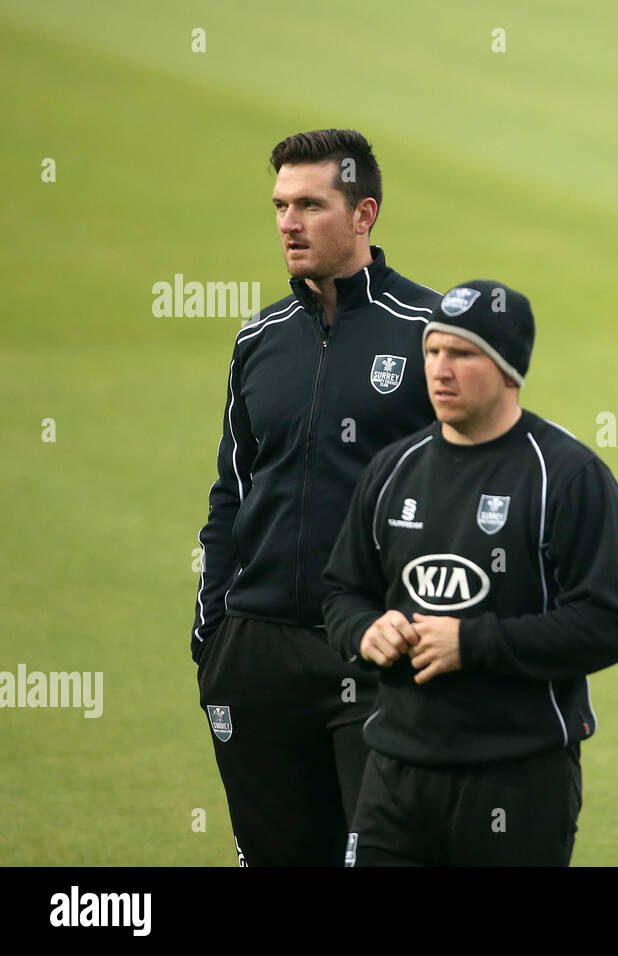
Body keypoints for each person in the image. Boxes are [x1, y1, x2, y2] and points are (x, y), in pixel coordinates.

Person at [322, 280, 618, 866]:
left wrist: (472, 643)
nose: (440, 370)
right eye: (432, 351)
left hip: (518, 778)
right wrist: (365, 631)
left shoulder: (566, 476)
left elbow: (611, 622)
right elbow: (344, 590)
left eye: (463, 354)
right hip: (395, 774)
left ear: (508, 370)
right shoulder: (393, 470)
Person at [192, 129, 442, 866]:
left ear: (364, 214)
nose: (289, 224)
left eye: (310, 205)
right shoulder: (260, 338)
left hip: (376, 652)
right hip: (256, 654)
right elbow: (231, 491)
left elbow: (468, 493)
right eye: (280, 206)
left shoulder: (431, 334)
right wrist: (214, 636)